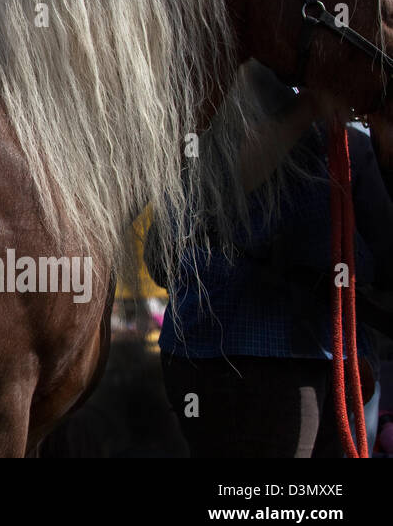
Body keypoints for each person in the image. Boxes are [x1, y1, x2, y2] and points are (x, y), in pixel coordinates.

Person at [156, 63, 393, 457]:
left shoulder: (348, 142)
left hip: (325, 352)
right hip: (248, 351)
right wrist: (311, 109)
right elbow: (218, 194)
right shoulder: (219, 89)